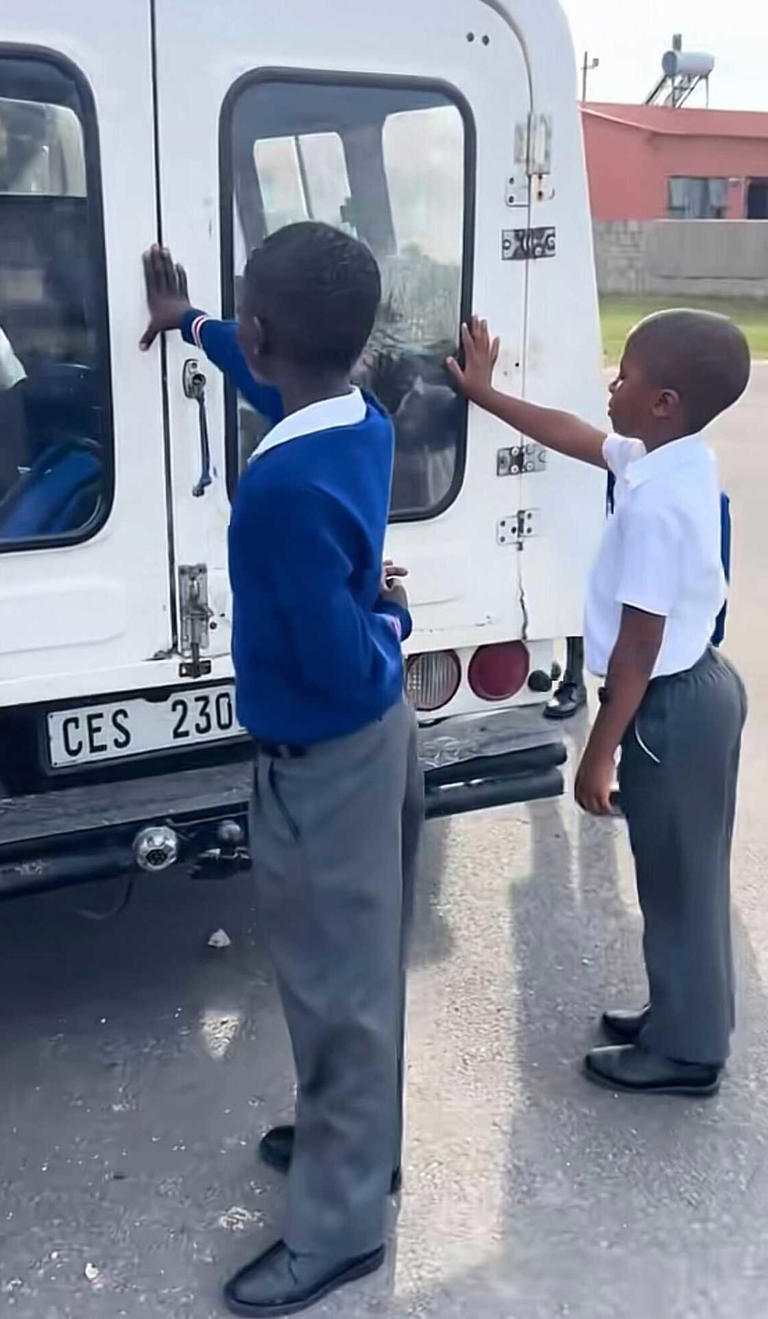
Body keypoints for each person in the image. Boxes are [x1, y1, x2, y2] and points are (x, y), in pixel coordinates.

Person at [141, 224, 424, 1316]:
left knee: (338, 985)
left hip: (333, 754)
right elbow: (269, 380)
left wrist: (387, 616)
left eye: (237, 320)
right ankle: (360, 1139)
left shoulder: (279, 497)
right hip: (372, 740)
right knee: (354, 969)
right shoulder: (359, 417)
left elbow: (346, 662)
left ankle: (342, 1225)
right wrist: (192, 327)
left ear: (266, 336)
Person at [448, 310, 749, 1098]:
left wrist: (599, 749)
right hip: (697, 690)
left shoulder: (655, 503)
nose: (611, 383)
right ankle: (682, 1014)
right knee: (685, 876)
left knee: (679, 885)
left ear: (665, 403)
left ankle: (686, 1055)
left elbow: (639, 646)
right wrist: (486, 395)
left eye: (627, 375)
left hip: (669, 703)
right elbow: (575, 435)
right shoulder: (670, 460)